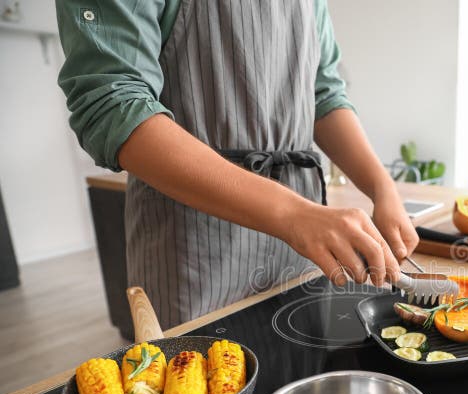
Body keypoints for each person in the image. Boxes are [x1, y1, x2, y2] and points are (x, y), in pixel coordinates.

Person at [55, 1, 418, 328]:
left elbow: (322, 93)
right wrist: (292, 214)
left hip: (301, 255)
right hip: (197, 246)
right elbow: (112, 101)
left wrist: (382, 188)